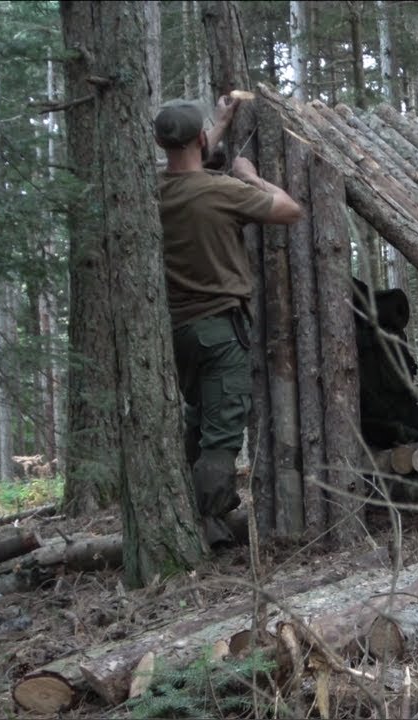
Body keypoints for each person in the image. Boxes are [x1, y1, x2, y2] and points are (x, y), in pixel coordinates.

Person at [153, 95, 303, 550]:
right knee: (221, 432)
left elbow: (189, 160)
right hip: (220, 331)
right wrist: (250, 175)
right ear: (200, 139)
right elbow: (288, 210)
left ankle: (188, 516)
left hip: (178, 331)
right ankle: (210, 527)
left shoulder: (154, 191)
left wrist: (218, 124)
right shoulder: (221, 191)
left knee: (198, 421)